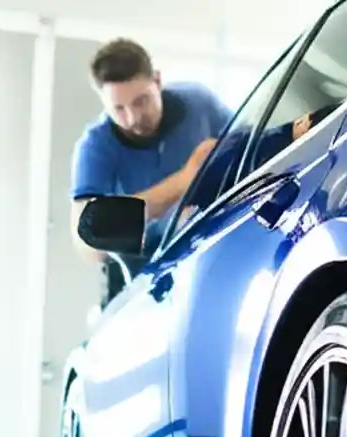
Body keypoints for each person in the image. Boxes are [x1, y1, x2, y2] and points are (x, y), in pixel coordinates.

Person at [69, 38, 233, 285]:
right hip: (141, 278)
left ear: (157, 80)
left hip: (211, 254)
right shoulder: (93, 147)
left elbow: (250, 151)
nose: (133, 118)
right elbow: (88, 247)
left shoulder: (200, 103)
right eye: (119, 109)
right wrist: (182, 183)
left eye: (140, 101)